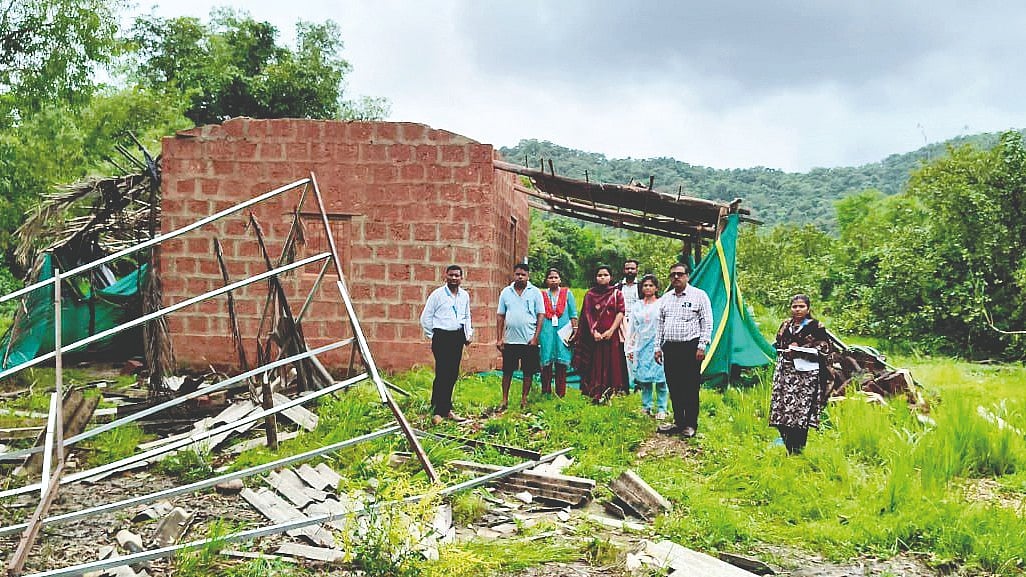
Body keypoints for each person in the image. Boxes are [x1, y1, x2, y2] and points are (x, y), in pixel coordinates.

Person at [654, 262, 712, 438]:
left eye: (680, 274)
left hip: (691, 347)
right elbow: (660, 324)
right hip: (670, 348)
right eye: (673, 275)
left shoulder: (699, 296)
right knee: (674, 386)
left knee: (690, 387)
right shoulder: (666, 298)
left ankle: (690, 424)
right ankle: (678, 422)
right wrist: (657, 347)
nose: (676, 277)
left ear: (687, 276)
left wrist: (702, 345)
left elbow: (707, 322)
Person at [769, 294, 832, 454]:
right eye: (794, 306)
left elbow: (824, 348)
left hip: (805, 376)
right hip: (785, 373)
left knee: (800, 412)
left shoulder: (816, 327)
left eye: (801, 306)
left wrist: (801, 350)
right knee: (781, 410)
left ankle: (798, 449)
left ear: (808, 308)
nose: (797, 310)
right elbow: (778, 342)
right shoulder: (785, 325)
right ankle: (788, 444)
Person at [419, 264, 473, 425]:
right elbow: (425, 317)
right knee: (442, 372)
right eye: (451, 275)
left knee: (452, 373)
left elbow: (467, 315)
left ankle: (446, 409)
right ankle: (437, 411)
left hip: (457, 337)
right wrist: (433, 335)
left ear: (461, 278)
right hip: (441, 336)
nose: (454, 278)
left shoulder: (464, 296)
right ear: (446, 276)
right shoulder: (437, 295)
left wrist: (468, 334)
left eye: (457, 276)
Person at [573, 265, 629, 402]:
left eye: (605, 275)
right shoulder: (590, 295)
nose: (602, 277)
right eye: (599, 275)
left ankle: (611, 393)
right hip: (594, 338)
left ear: (611, 277)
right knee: (594, 364)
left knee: (612, 363)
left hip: (612, 336)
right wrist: (594, 332)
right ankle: (594, 392)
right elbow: (587, 314)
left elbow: (620, 312)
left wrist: (611, 330)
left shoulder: (617, 294)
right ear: (595, 278)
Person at [496, 263, 545, 410]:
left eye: (523, 274)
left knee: (528, 371)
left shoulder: (535, 292)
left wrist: (536, 337)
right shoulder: (506, 292)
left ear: (528, 276)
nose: (520, 277)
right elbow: (500, 316)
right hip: (510, 340)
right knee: (507, 371)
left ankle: (524, 399)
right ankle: (504, 400)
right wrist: (500, 338)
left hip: (528, 340)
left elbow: (541, 315)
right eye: (517, 274)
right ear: (513, 275)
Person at [626, 274, 668, 419]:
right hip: (642, 344)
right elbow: (632, 327)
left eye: (651, 285)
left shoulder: (662, 303)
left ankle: (662, 408)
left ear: (656, 288)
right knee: (645, 379)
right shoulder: (637, 306)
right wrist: (630, 347)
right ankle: (646, 407)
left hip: (659, 345)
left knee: (661, 379)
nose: (648, 288)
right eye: (645, 285)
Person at [538, 268, 578, 397]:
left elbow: (573, 314)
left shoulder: (567, 294)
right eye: (550, 277)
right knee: (546, 362)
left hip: (563, 333)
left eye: (556, 277)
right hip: (547, 333)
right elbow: (538, 314)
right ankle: (546, 391)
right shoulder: (542, 295)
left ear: (560, 279)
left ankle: (561, 393)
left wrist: (575, 330)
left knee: (561, 363)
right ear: (546, 280)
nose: (553, 280)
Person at [617, 259, 641, 387]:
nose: (630, 271)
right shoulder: (618, 286)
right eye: (627, 268)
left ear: (637, 270)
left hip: (638, 324)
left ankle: (638, 382)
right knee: (623, 352)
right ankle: (624, 382)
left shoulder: (643, 286)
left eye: (632, 268)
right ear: (623, 270)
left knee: (637, 351)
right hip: (621, 323)